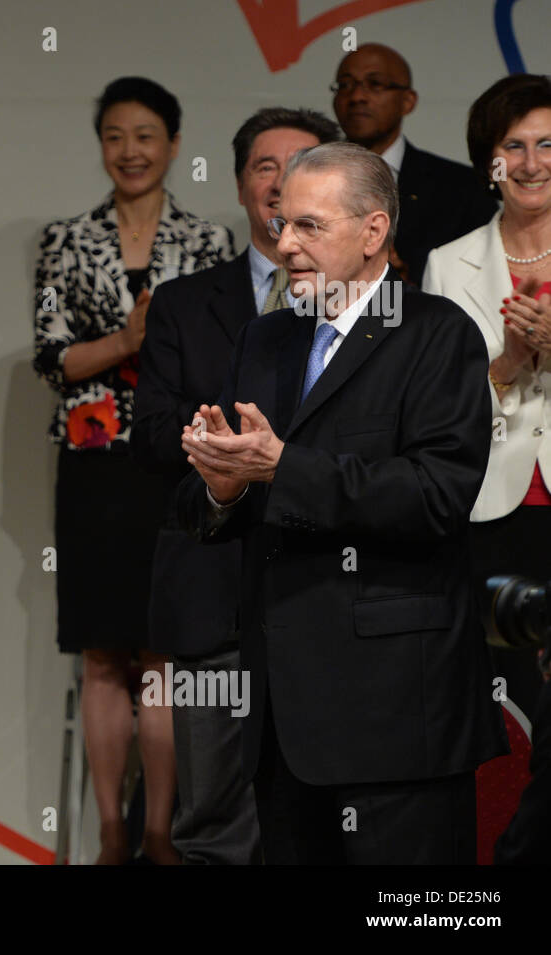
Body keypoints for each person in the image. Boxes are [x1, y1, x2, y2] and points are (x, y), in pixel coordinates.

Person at [176, 141, 508, 863]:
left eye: (308, 227)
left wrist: (283, 466)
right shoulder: (263, 341)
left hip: (395, 713)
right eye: (280, 221)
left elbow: (437, 495)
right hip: (282, 719)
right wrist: (221, 485)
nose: (283, 242)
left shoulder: (436, 334)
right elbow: (227, 494)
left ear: (373, 232)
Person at [33, 76, 234, 864]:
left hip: (175, 458)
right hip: (92, 463)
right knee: (102, 647)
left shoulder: (210, 242)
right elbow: (53, 358)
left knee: (163, 651)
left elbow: (219, 361)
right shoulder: (64, 238)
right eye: (115, 136)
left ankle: (161, 836)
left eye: (146, 135)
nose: (130, 151)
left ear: (175, 145)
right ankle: (112, 837)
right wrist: (129, 338)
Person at [134, 106, 340, 864]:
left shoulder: (378, 310)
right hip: (210, 584)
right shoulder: (186, 302)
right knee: (214, 818)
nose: (282, 184)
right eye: (265, 167)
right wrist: (224, 447)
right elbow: (149, 434)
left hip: (325, 594)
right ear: (241, 184)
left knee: (319, 818)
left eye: (302, 168)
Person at [422, 73, 551, 723]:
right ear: (488, 161)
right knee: (507, 699)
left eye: (547, 143)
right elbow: (436, 402)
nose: (532, 163)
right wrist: (507, 363)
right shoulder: (449, 263)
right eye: (514, 146)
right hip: (490, 503)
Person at [331, 42, 495, 285]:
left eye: (375, 84)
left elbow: (480, 279)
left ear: (408, 101)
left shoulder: (463, 189)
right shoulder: (310, 181)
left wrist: (411, 288)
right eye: (345, 85)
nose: (357, 97)